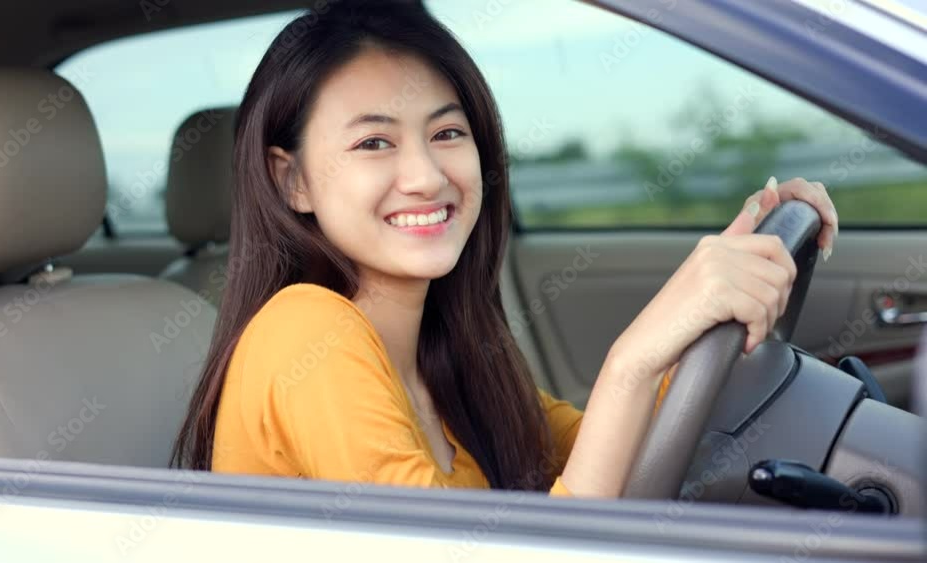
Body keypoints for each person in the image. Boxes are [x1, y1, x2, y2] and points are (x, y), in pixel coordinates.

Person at [170, 0, 839, 498]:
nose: (427, 176)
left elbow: (634, 448)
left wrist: (732, 281)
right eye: (374, 142)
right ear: (293, 180)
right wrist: (632, 359)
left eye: (448, 133)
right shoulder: (302, 333)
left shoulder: (449, 357)